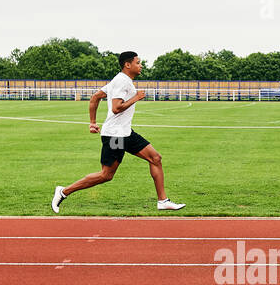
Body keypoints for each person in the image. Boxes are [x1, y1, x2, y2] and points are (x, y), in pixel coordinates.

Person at [52, 51, 184, 214]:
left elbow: (95, 97)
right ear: (127, 65)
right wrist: (136, 98)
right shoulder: (122, 81)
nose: (140, 65)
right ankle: (63, 191)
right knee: (106, 175)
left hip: (125, 132)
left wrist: (93, 123)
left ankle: (163, 201)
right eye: (138, 62)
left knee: (155, 158)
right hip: (115, 135)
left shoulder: (119, 80)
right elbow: (116, 108)